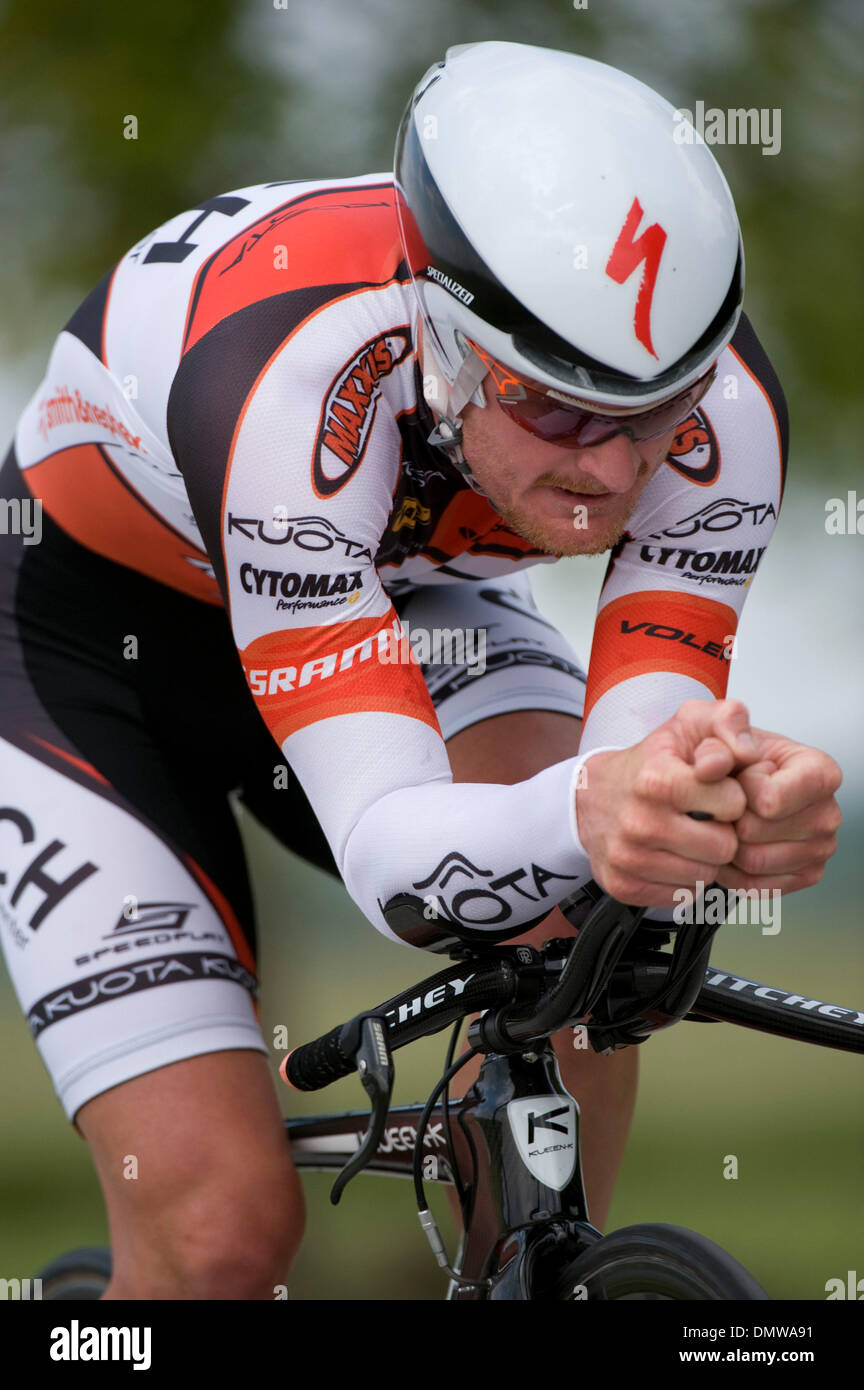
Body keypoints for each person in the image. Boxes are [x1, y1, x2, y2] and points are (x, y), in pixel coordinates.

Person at [0, 41, 840, 1299]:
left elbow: (640, 757)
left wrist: (712, 812)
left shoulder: (728, 418)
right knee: (221, 1235)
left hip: (398, 598)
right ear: (440, 338)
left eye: (654, 414)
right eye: (555, 409)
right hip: (92, 645)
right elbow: (396, 853)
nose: (614, 470)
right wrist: (598, 809)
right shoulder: (294, 385)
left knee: (594, 907)